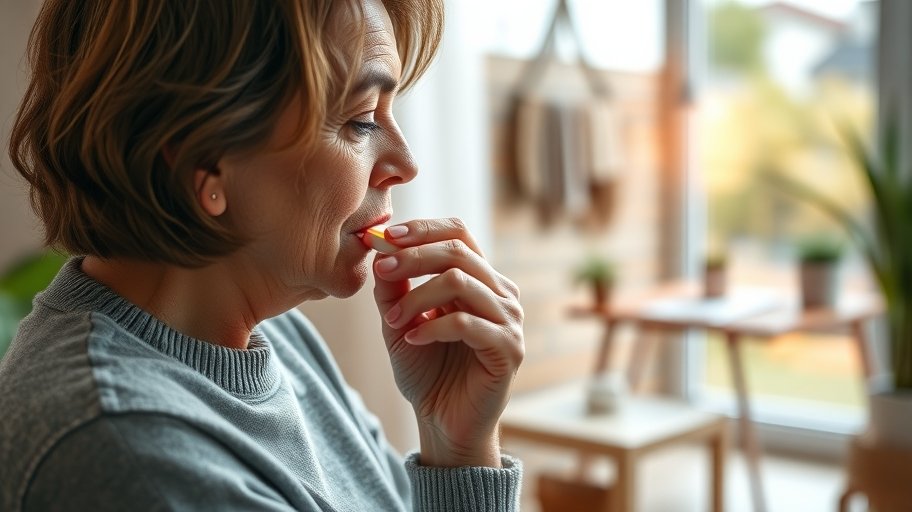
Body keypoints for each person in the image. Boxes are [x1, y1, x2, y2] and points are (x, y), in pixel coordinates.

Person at [0, 0, 525, 510]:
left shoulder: (278, 336)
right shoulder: (130, 455)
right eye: (362, 119)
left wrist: (458, 450)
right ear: (204, 159)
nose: (405, 164)